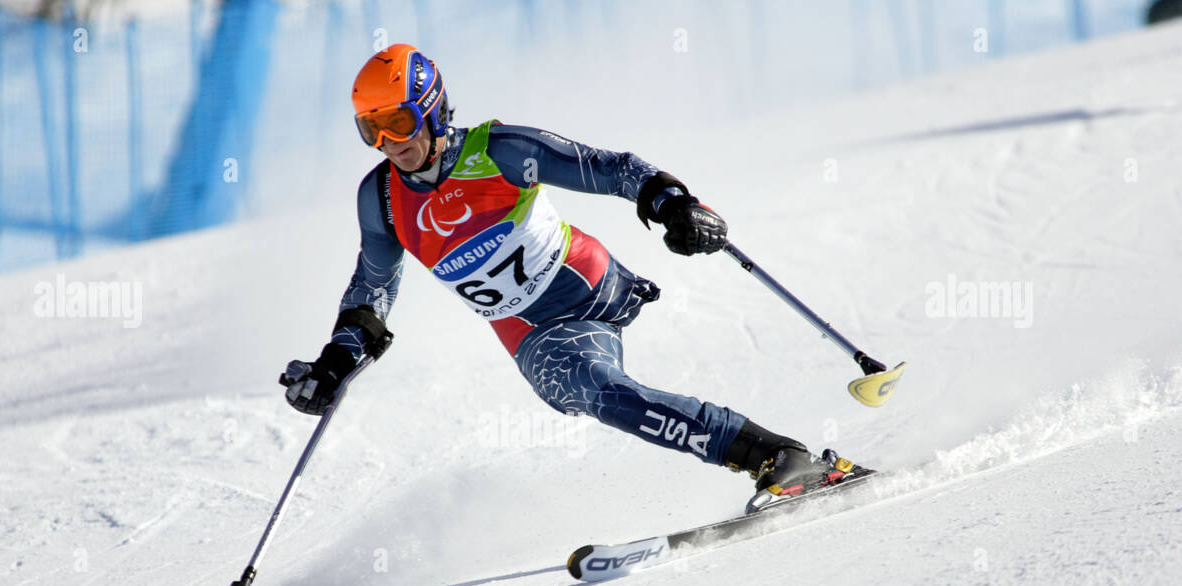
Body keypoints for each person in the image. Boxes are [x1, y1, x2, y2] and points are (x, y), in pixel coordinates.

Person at [280, 43, 858, 501]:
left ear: (431, 107)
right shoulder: (381, 199)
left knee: (599, 387)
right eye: (371, 129)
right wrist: (335, 361)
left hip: (592, 282)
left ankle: (789, 463)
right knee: (597, 392)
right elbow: (373, 286)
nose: (388, 143)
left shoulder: (496, 151)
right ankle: (777, 455)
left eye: (399, 122)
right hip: (535, 332)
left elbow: (609, 168)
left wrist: (674, 203)